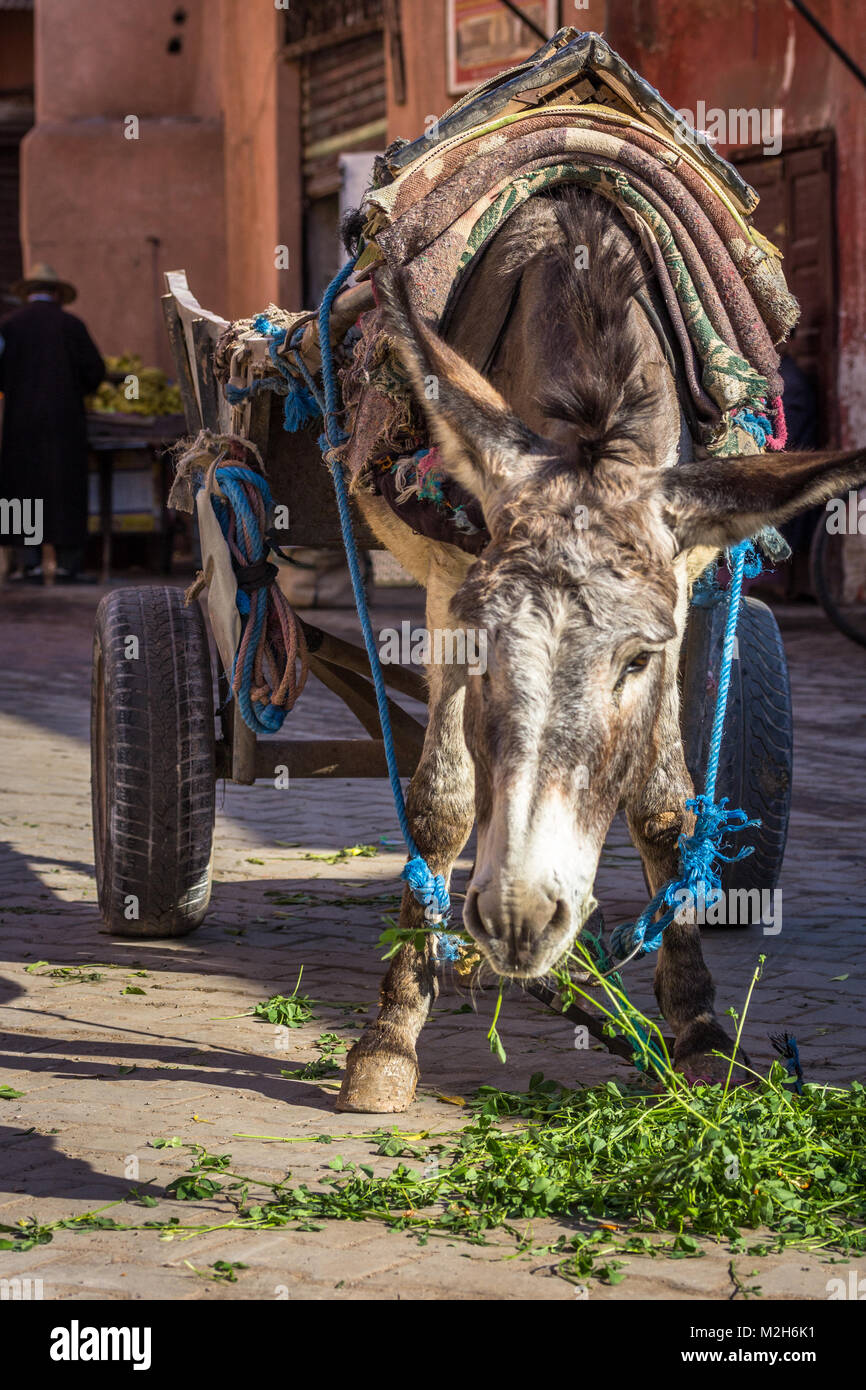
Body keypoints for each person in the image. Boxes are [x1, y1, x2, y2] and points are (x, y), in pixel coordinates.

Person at [0, 263, 104, 583]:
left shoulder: (9, 326)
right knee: (65, 487)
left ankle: (27, 564)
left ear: (28, 294)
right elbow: (95, 372)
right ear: (58, 294)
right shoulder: (71, 325)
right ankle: (66, 565)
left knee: (23, 488)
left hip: (20, 422)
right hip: (65, 421)